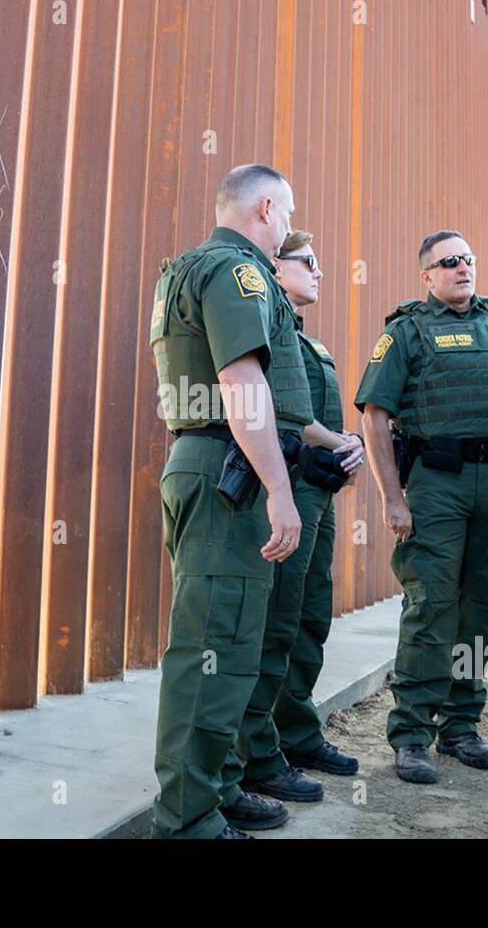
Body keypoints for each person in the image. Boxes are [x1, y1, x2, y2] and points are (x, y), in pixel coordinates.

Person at [149, 164, 348, 839]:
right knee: (213, 650)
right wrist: (281, 491)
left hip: (210, 467)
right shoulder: (237, 271)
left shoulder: (195, 266)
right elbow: (241, 385)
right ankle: (187, 821)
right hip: (228, 474)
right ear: (266, 207)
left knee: (226, 646)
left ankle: (218, 788)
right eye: (288, 213)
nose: (289, 226)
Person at [355, 230, 488, 786]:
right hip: (437, 482)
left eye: (469, 258)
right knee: (431, 607)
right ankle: (411, 734)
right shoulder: (407, 331)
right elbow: (374, 416)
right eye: (449, 262)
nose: (462, 268)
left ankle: (462, 726)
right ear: (427, 276)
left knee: (482, 607)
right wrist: (392, 498)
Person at [227, 230, 365, 804]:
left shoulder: (309, 344)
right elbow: (277, 413)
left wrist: (347, 450)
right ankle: (257, 754)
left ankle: (296, 733)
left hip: (317, 493)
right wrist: (341, 441)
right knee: (277, 621)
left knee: (310, 617)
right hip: (284, 489)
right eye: (308, 262)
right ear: (276, 269)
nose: (319, 272)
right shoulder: (267, 329)